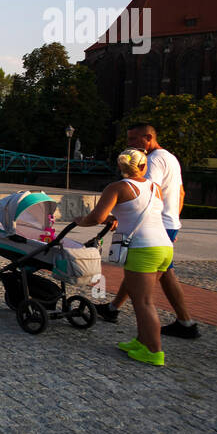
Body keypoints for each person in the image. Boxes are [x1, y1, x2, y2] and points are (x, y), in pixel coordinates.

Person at [95, 123, 200, 338]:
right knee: (146, 272)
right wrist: (175, 222)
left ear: (148, 137)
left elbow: (142, 193)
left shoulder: (151, 161)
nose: (129, 144)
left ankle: (183, 324)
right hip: (165, 224)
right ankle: (113, 309)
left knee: (152, 279)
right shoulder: (171, 158)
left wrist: (123, 216)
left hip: (153, 225)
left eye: (133, 139)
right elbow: (180, 192)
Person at [78, 148, 173, 366]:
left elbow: (96, 217)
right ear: (143, 166)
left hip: (142, 249)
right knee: (139, 294)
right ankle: (141, 341)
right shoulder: (155, 187)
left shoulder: (117, 187)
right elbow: (137, 210)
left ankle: (154, 351)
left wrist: (80, 220)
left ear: (120, 166)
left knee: (144, 302)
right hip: (164, 247)